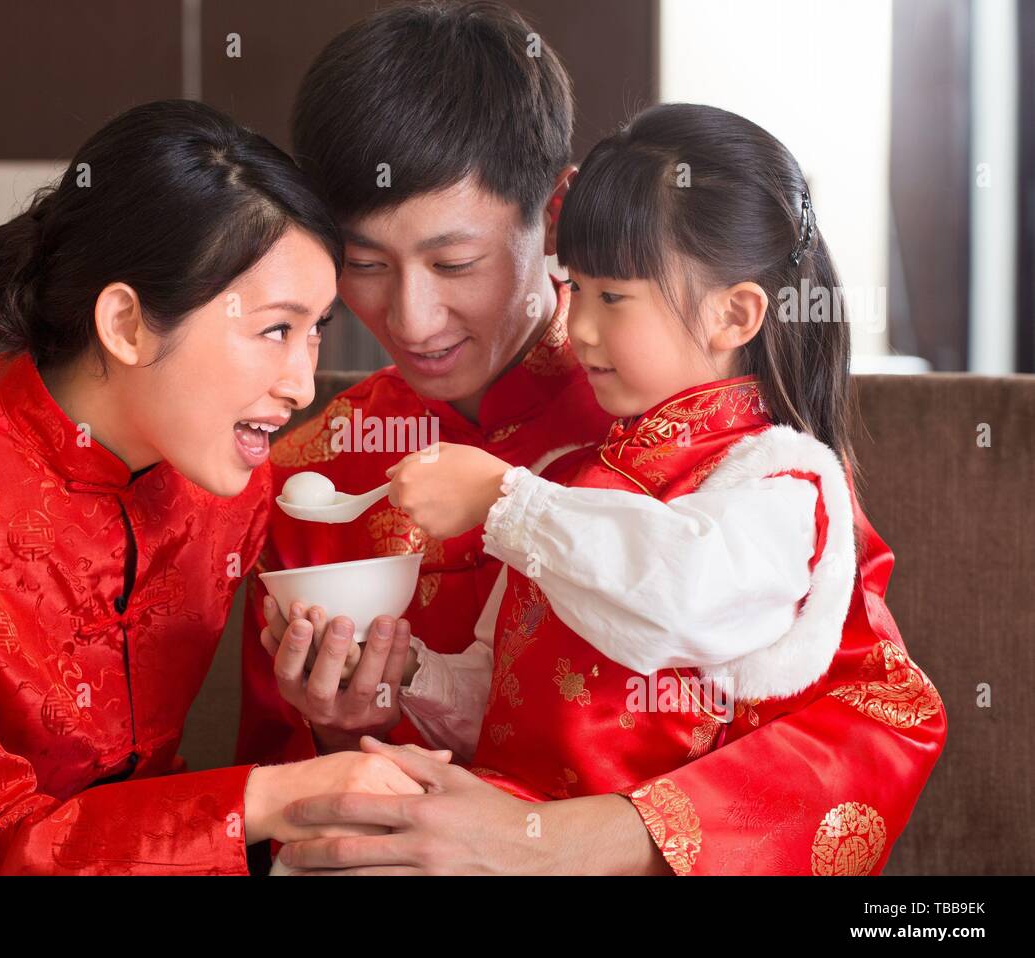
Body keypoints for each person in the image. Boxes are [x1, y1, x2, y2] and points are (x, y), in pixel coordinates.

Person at [249, 2, 945, 875]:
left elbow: (875, 714)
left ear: (556, 207)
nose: (411, 318)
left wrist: (565, 844)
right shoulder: (307, 467)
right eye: (366, 265)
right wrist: (350, 717)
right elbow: (266, 787)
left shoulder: (695, 416)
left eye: (456, 263)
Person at [0, 100, 434, 875]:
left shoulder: (230, 480)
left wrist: (338, 721)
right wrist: (272, 798)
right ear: (127, 324)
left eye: (317, 332)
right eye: (274, 329)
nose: (302, 384)